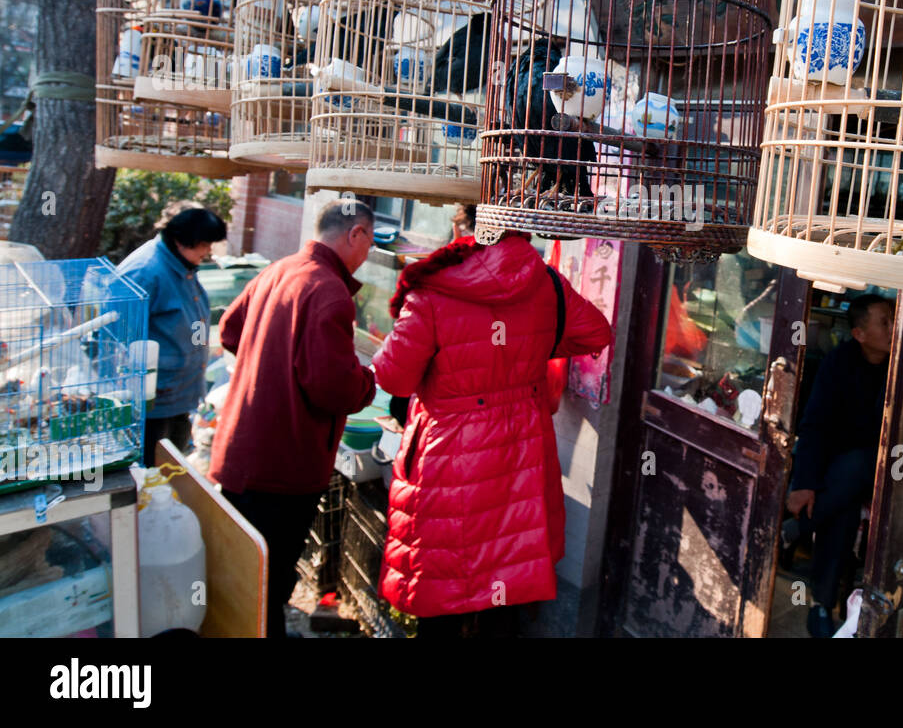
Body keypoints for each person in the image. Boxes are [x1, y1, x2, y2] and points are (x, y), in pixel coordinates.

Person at [371, 229, 611, 638]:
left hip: (450, 453)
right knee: (506, 577)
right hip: (523, 448)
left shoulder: (429, 292)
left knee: (441, 579)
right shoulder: (545, 280)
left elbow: (393, 377)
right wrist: (530, 349)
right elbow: (596, 332)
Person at [210, 199, 377, 638]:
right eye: (370, 240)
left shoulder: (280, 267)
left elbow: (229, 331)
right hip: (283, 465)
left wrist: (267, 366)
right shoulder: (328, 290)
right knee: (270, 582)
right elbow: (332, 387)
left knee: (242, 577)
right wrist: (368, 381)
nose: (367, 253)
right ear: (355, 234)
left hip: (240, 451)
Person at [784, 293, 895, 638]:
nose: (894, 329)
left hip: (886, 471)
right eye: (885, 323)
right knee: (844, 512)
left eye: (894, 320)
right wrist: (803, 484)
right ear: (860, 334)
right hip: (839, 475)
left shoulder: (901, 366)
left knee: (866, 461)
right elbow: (814, 425)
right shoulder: (839, 363)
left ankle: (797, 530)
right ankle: (821, 605)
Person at [117, 201, 227, 467]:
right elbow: (117, 340)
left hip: (182, 395)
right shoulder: (144, 272)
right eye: (205, 244)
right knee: (151, 474)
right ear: (183, 241)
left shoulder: (182, 263)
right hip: (155, 402)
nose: (209, 251)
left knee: (172, 473)